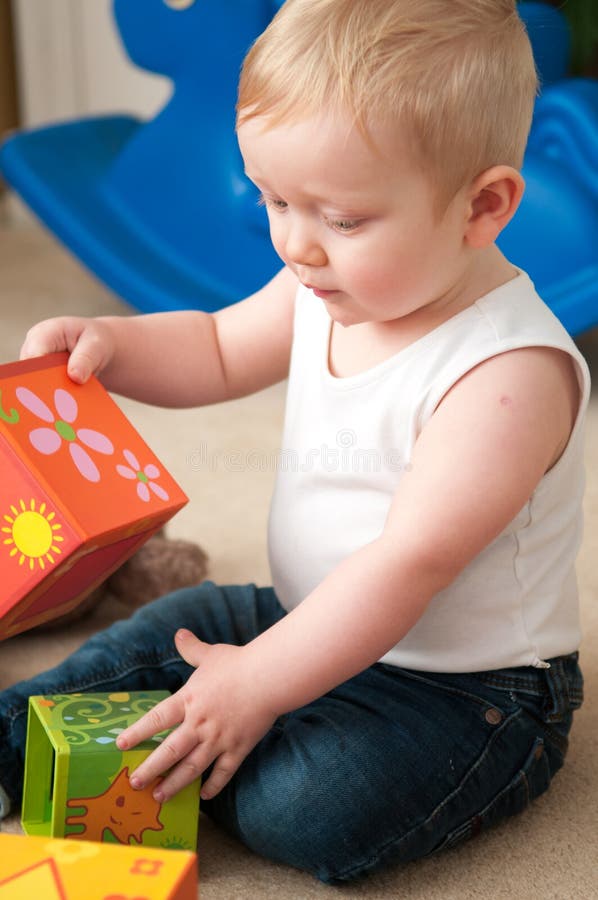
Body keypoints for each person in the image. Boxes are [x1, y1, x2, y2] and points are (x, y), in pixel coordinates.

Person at [0, 0, 590, 884]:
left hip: (465, 694)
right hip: (301, 610)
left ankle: (215, 745)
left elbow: (405, 567)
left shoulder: (507, 375)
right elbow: (216, 345)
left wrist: (261, 685)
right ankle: (19, 734)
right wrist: (114, 347)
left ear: (483, 206)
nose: (296, 245)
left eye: (342, 219)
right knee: (157, 633)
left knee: (307, 807)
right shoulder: (323, 284)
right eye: (275, 199)